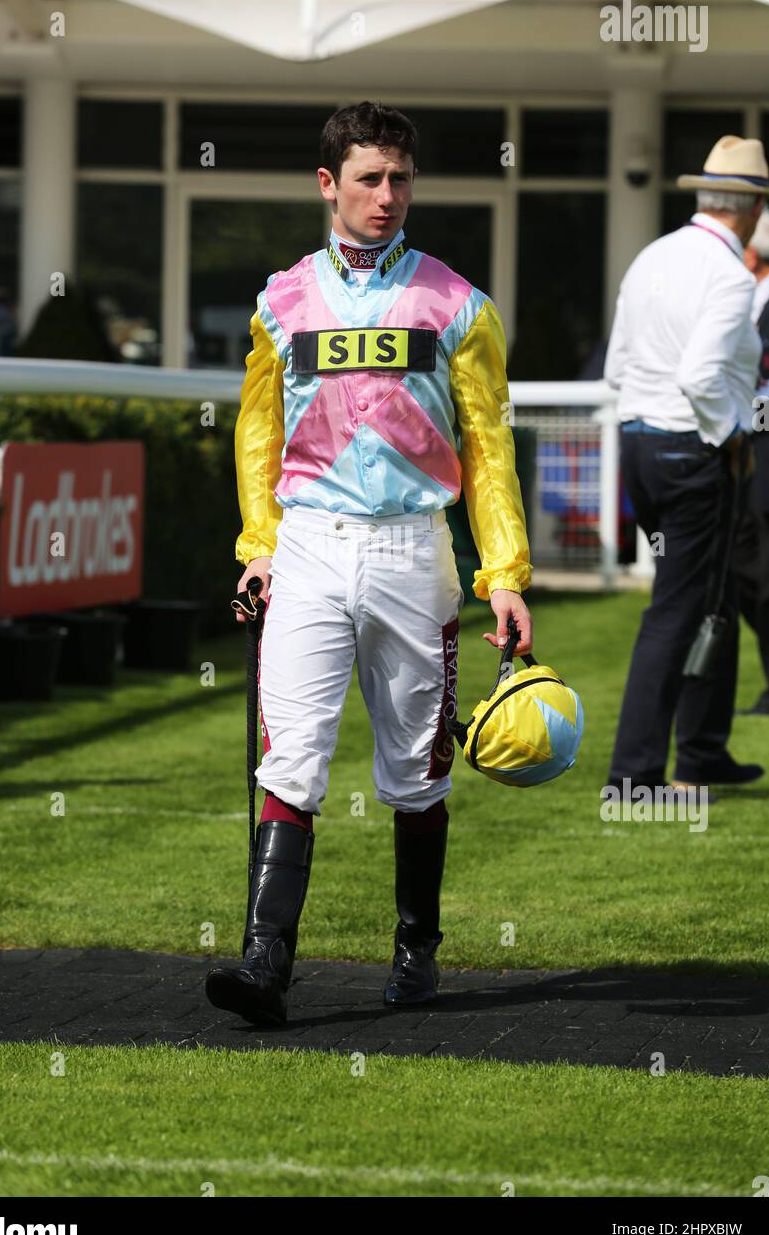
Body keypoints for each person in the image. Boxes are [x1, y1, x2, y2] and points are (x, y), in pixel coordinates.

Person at [205, 101, 533, 1026]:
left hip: (412, 552)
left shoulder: (461, 305)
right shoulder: (278, 302)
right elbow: (258, 434)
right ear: (328, 186)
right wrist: (258, 550)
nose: (387, 197)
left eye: (399, 179)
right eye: (368, 180)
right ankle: (265, 968)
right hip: (308, 547)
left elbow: (489, 445)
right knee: (290, 761)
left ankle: (415, 952)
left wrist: (503, 571)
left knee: (417, 773)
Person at [603, 135, 769, 796]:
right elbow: (701, 374)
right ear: (752, 205)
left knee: (715, 595)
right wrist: (735, 435)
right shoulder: (730, 275)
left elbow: (618, 365)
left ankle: (703, 750)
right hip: (693, 451)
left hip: (642, 443)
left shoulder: (653, 255)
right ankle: (634, 774)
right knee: (677, 609)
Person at [733, 209, 769, 714]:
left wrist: (761, 399)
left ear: (752, 251)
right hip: (751, 460)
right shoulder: (752, 296)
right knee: (744, 569)